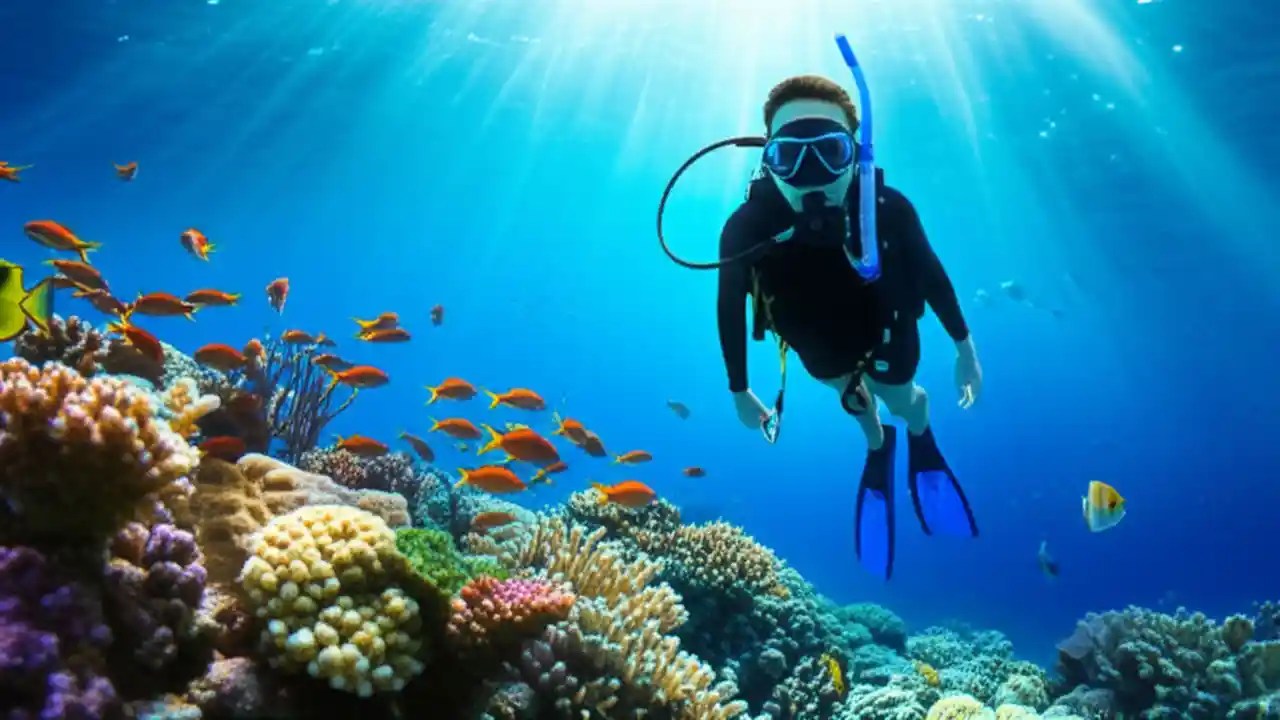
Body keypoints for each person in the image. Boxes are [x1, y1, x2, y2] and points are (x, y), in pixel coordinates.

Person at [716, 74, 983, 579]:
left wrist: (965, 348)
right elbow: (728, 303)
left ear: (856, 153)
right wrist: (738, 388)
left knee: (903, 399)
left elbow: (931, 274)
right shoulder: (748, 227)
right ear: (767, 159)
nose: (810, 174)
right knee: (853, 398)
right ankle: (877, 441)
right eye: (789, 156)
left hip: (890, 338)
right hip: (819, 351)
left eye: (829, 151)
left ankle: (917, 427)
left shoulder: (889, 209)